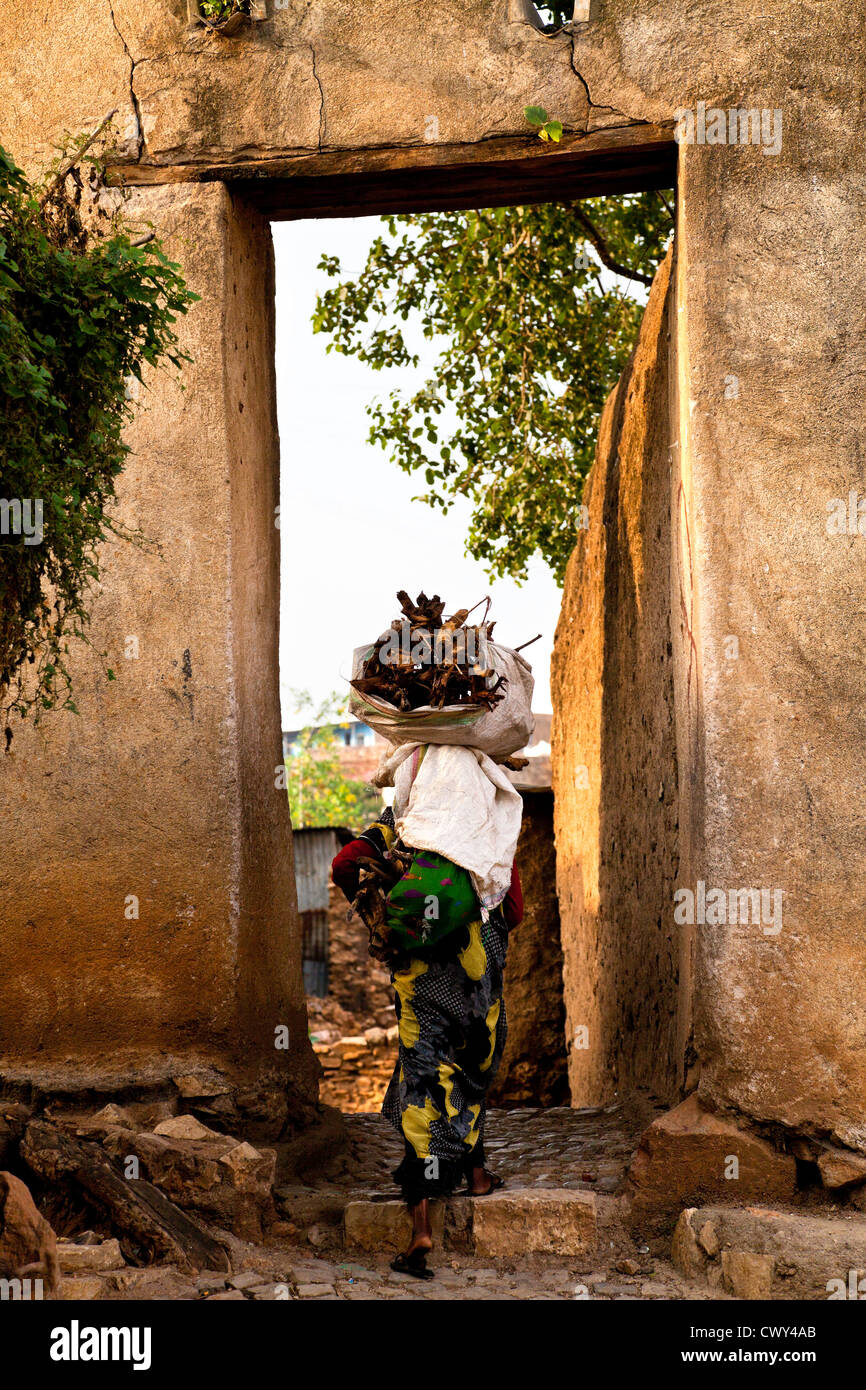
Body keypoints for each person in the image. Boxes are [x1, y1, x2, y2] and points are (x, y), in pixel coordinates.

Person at [332, 803, 523, 1280]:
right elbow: (514, 908)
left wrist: (389, 920)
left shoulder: (399, 822)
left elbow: (343, 866)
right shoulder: (490, 823)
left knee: (422, 1083)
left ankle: (421, 1229)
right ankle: (476, 1175)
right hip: (477, 974)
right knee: (471, 1076)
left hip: (420, 980)